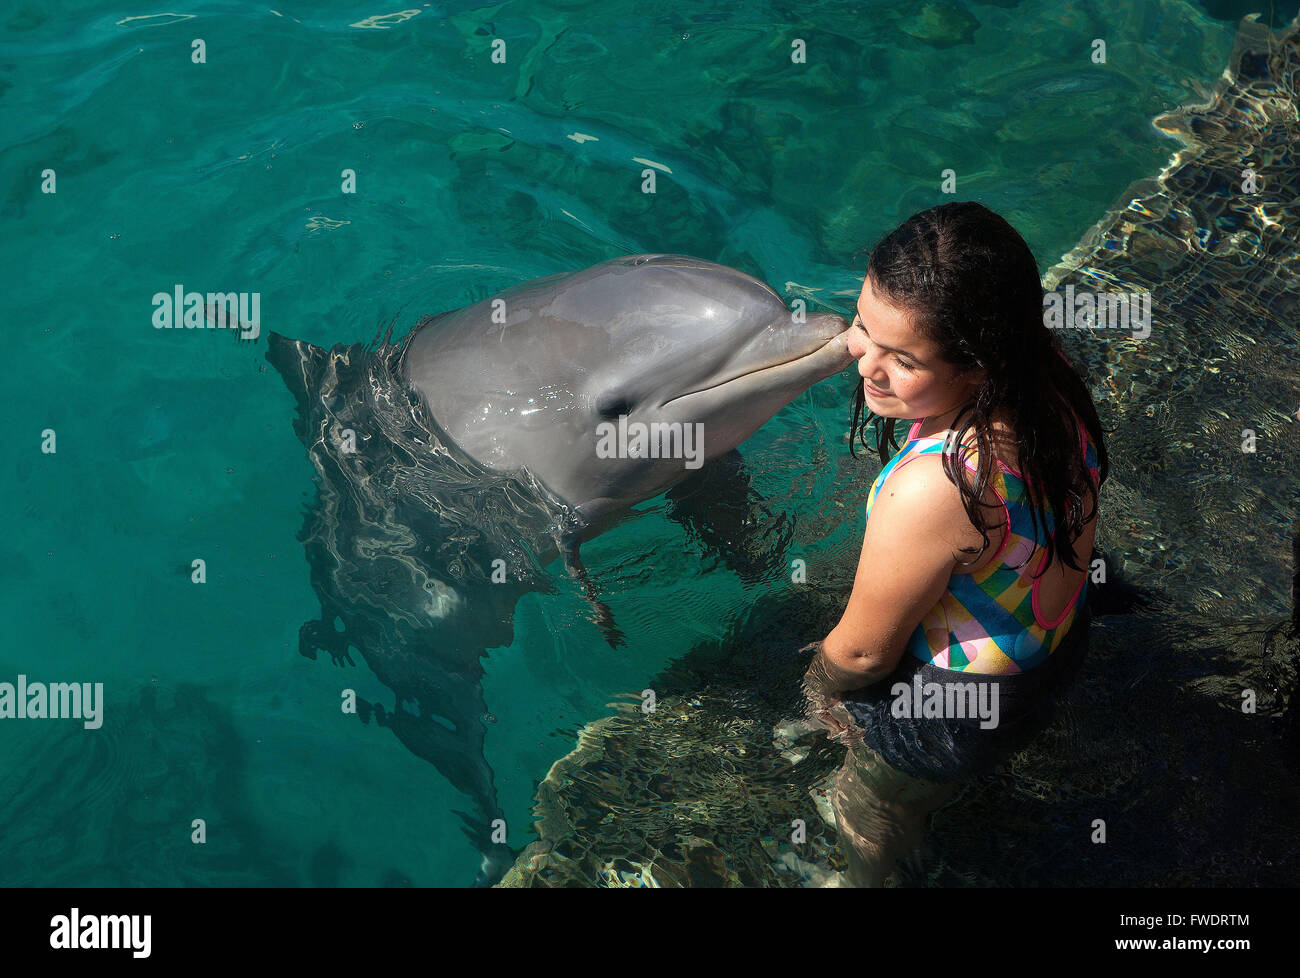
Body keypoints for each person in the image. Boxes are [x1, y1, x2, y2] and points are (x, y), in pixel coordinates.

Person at [801, 201, 1109, 887]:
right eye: (862, 327)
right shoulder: (1049, 381)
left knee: (864, 809)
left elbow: (861, 650)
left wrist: (817, 692)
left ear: (977, 366)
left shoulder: (938, 487)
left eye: (902, 358)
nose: (866, 366)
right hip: (1058, 641)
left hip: (955, 715)